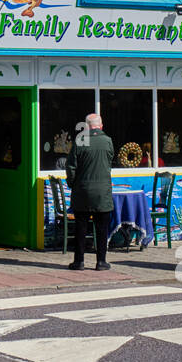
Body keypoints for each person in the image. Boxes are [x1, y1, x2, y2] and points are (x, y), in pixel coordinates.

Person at [66, 112, 114, 271]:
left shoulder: (80, 141)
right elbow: (109, 163)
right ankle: (101, 262)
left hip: (83, 191)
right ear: (101, 126)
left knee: (81, 227)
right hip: (102, 193)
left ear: (86, 126)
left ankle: (79, 261)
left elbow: (71, 166)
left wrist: (72, 183)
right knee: (102, 228)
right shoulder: (108, 141)